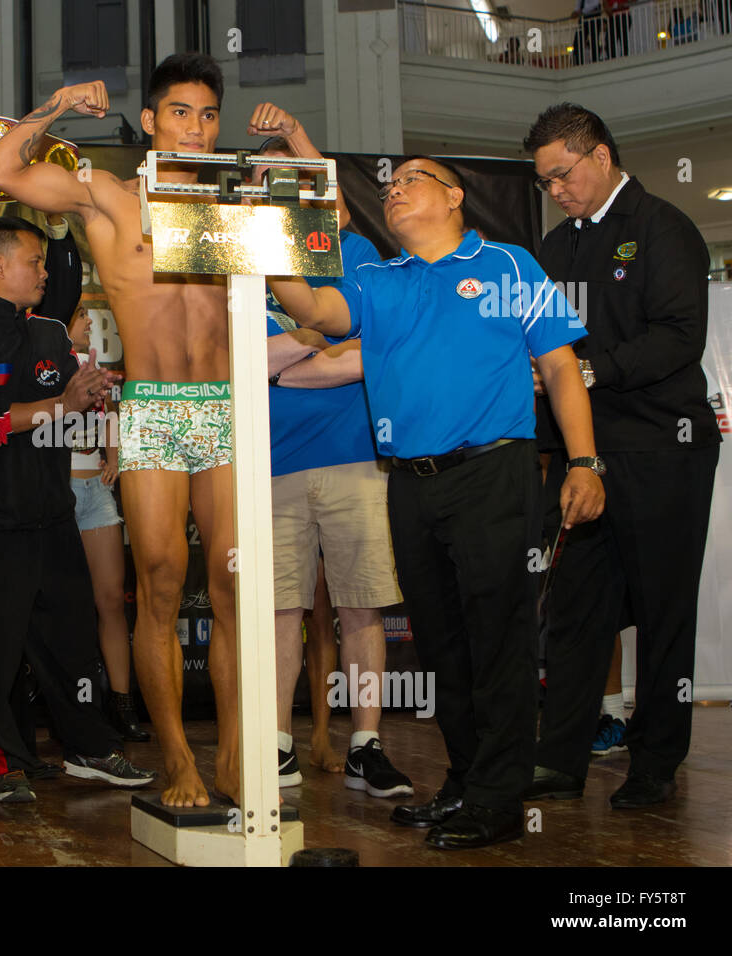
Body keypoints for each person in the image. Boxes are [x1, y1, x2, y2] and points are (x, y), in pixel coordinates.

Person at [0, 54, 293, 808]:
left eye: (209, 115)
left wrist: (300, 141)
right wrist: (54, 107)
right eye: (180, 112)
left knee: (230, 585)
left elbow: (328, 229)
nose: (197, 127)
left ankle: (237, 751)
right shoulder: (113, 201)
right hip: (155, 406)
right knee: (157, 583)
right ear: (151, 122)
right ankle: (178, 758)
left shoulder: (234, 210)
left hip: (224, 405)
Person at [277, 154, 604, 849]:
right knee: (444, 644)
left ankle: (500, 797)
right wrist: (261, 249)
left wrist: (582, 460)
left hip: (494, 473)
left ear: (454, 196)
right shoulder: (376, 279)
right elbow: (311, 309)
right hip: (408, 482)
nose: (393, 190)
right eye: (387, 186)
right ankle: (465, 779)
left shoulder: (511, 266)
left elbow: (559, 368)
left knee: (499, 638)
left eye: (410, 181)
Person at [522, 104, 719, 809]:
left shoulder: (664, 227)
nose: (556, 192)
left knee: (663, 609)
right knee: (575, 608)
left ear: (599, 155)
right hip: (582, 454)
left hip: (664, 447)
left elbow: (677, 337)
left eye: (562, 175)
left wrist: (588, 373)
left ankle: (656, 759)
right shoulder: (554, 248)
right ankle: (560, 757)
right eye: (544, 183)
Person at [0, 216, 155, 802]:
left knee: (72, 640)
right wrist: (62, 401)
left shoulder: (52, 331)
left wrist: (90, 398)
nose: (44, 272)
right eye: (35, 261)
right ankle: (5, 765)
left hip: (55, 512)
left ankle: (88, 747)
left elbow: (67, 413)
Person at [247, 137, 413, 798]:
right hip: (270, 463)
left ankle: (367, 744)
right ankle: (278, 745)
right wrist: (312, 344)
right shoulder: (235, 262)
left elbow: (369, 355)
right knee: (281, 612)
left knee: (362, 607)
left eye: (285, 179)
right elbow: (241, 366)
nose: (275, 192)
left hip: (354, 456)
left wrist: (288, 363)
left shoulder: (352, 253)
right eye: (262, 182)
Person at [62, 302, 150, 743]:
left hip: (95, 493)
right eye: (82, 318)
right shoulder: (45, 362)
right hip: (56, 496)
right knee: (64, 606)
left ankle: (121, 702)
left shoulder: (96, 367)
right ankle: (71, 705)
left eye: (92, 321)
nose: (89, 325)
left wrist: (112, 457)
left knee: (112, 598)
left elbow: (111, 413)